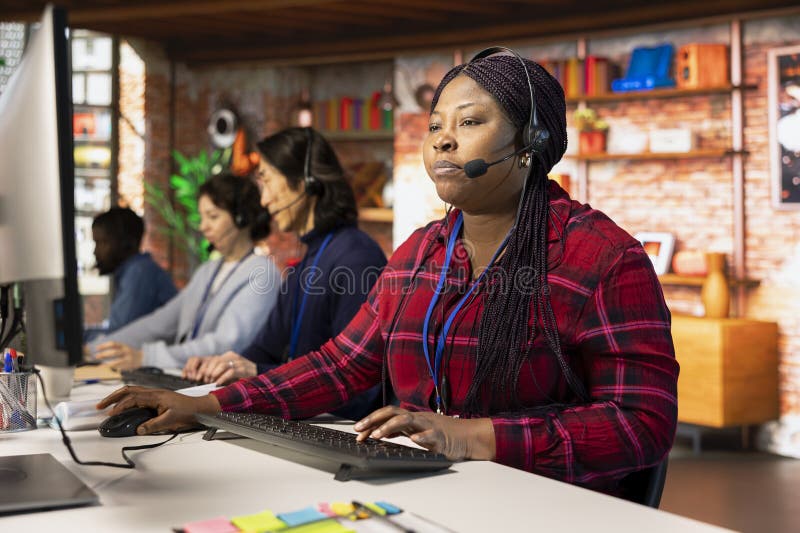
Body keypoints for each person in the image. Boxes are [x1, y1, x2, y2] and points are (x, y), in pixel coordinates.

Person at [99, 49, 678, 497]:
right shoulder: (422, 252)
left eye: (469, 121)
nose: (443, 139)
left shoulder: (602, 258)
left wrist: (474, 436)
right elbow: (342, 365)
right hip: (434, 494)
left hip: (544, 508)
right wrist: (211, 405)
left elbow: (642, 424)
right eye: (434, 126)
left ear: (533, 141)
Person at [182, 127, 387, 420]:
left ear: (306, 182)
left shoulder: (355, 258)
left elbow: (359, 389)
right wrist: (223, 364)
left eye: (265, 180)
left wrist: (256, 372)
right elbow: (264, 350)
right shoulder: (306, 263)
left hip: (342, 432)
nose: (263, 201)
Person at [89, 172, 281, 370]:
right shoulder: (209, 270)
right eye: (202, 217)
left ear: (242, 218)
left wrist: (147, 358)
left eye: (213, 216)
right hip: (189, 377)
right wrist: (97, 348)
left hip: (220, 389)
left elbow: (227, 343)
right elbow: (160, 322)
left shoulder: (262, 273)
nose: (203, 226)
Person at [83, 207, 177, 342]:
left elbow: (119, 337)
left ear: (126, 243)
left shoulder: (139, 273)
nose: (96, 251)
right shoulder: (135, 271)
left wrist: (76, 337)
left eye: (102, 242)